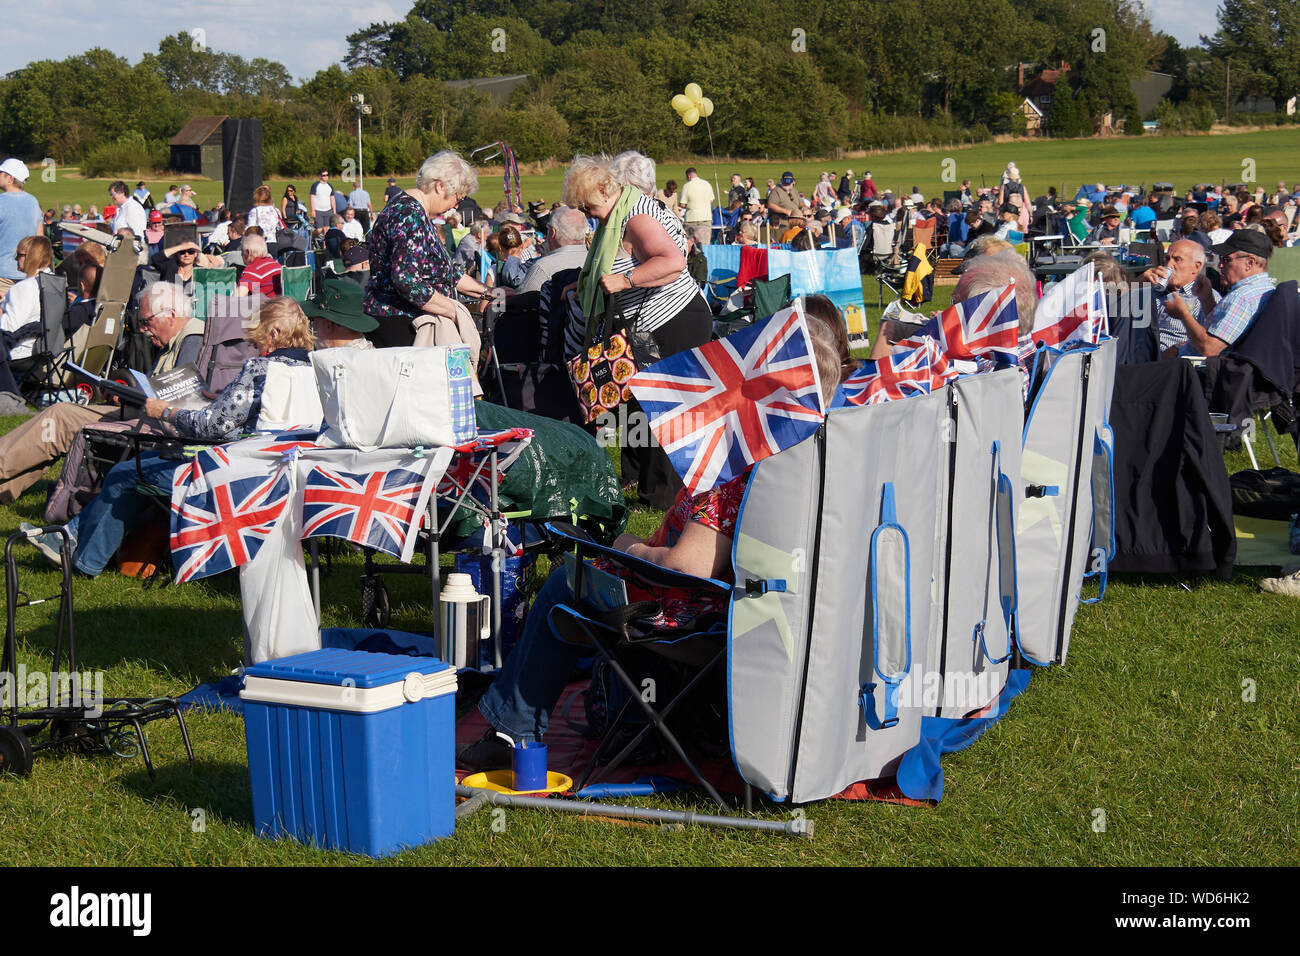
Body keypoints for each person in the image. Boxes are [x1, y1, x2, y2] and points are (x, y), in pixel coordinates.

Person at [457, 316, 845, 768]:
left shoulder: (742, 468)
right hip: (777, 610)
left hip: (705, 614)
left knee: (568, 580)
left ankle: (513, 732)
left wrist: (628, 548)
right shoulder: (818, 456)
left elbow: (687, 568)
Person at [26, 297, 315, 576]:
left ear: (274, 333)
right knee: (139, 470)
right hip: (285, 475)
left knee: (128, 473)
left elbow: (212, 427)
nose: (255, 349)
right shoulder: (314, 370)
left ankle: (80, 560)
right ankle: (69, 538)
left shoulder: (261, 368)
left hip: (236, 478)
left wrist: (166, 412)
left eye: (257, 341)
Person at [564, 154, 712, 508]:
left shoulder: (636, 216)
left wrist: (624, 279)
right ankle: (650, 486)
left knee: (664, 407)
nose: (587, 215)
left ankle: (661, 496)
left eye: (588, 206)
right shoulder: (618, 214)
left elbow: (672, 261)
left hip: (673, 320)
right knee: (645, 407)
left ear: (604, 189)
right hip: (650, 323)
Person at [0, 282, 205, 502]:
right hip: (147, 419)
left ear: (171, 315)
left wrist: (133, 397)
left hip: (155, 427)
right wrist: (126, 394)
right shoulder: (181, 338)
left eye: (146, 321)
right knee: (59, 419)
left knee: (60, 418)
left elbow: (179, 401)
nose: (143, 329)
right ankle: (5, 489)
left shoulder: (192, 339)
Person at [363, 150, 493, 349]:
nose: (455, 207)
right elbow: (406, 280)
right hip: (399, 325)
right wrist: (453, 311)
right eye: (457, 199)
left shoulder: (415, 212)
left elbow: (443, 273)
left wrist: (487, 292)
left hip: (406, 321)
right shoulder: (408, 214)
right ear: (440, 186)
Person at [1166, 229, 1275, 357]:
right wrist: (1207, 299)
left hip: (1199, 371)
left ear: (1249, 262)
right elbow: (1222, 329)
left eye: (1226, 259)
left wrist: (1183, 313)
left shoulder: (1241, 297)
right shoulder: (1263, 288)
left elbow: (1209, 349)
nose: (1220, 265)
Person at [1139, 239, 1219, 354]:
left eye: (1177, 259)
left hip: (1170, 362)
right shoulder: (1153, 289)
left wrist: (1178, 349)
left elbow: (1211, 344)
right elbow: (1113, 307)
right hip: (1138, 354)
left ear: (1196, 267)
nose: (1168, 265)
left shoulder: (1206, 298)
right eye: (1167, 259)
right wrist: (1138, 282)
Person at [517, 207, 589, 295]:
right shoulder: (595, 260)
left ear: (553, 233)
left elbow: (522, 302)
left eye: (548, 229)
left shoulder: (543, 267)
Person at [303, 276, 377, 349]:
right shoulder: (377, 356)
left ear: (328, 326)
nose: (312, 327)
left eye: (312, 320)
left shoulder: (333, 360)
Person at [678, 167, 715, 247]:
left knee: (691, 246)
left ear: (688, 176)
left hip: (691, 219)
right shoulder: (707, 184)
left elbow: (682, 204)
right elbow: (711, 200)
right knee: (704, 246)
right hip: (706, 219)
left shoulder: (686, 186)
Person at [496, 224, 528, 289]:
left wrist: (486, 293)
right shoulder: (530, 267)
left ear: (500, 248)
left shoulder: (495, 268)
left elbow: (485, 297)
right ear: (522, 246)